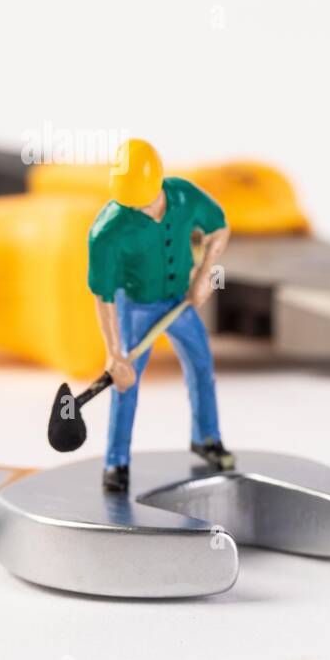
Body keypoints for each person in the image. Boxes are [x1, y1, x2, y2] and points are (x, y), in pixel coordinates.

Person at [87, 138, 235, 491]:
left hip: (179, 301)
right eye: (132, 204)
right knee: (126, 381)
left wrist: (204, 274)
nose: (141, 209)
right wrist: (114, 353)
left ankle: (206, 438)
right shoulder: (106, 231)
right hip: (136, 307)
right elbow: (103, 295)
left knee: (202, 365)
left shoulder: (183, 196)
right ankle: (116, 462)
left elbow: (219, 227)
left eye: (147, 202)